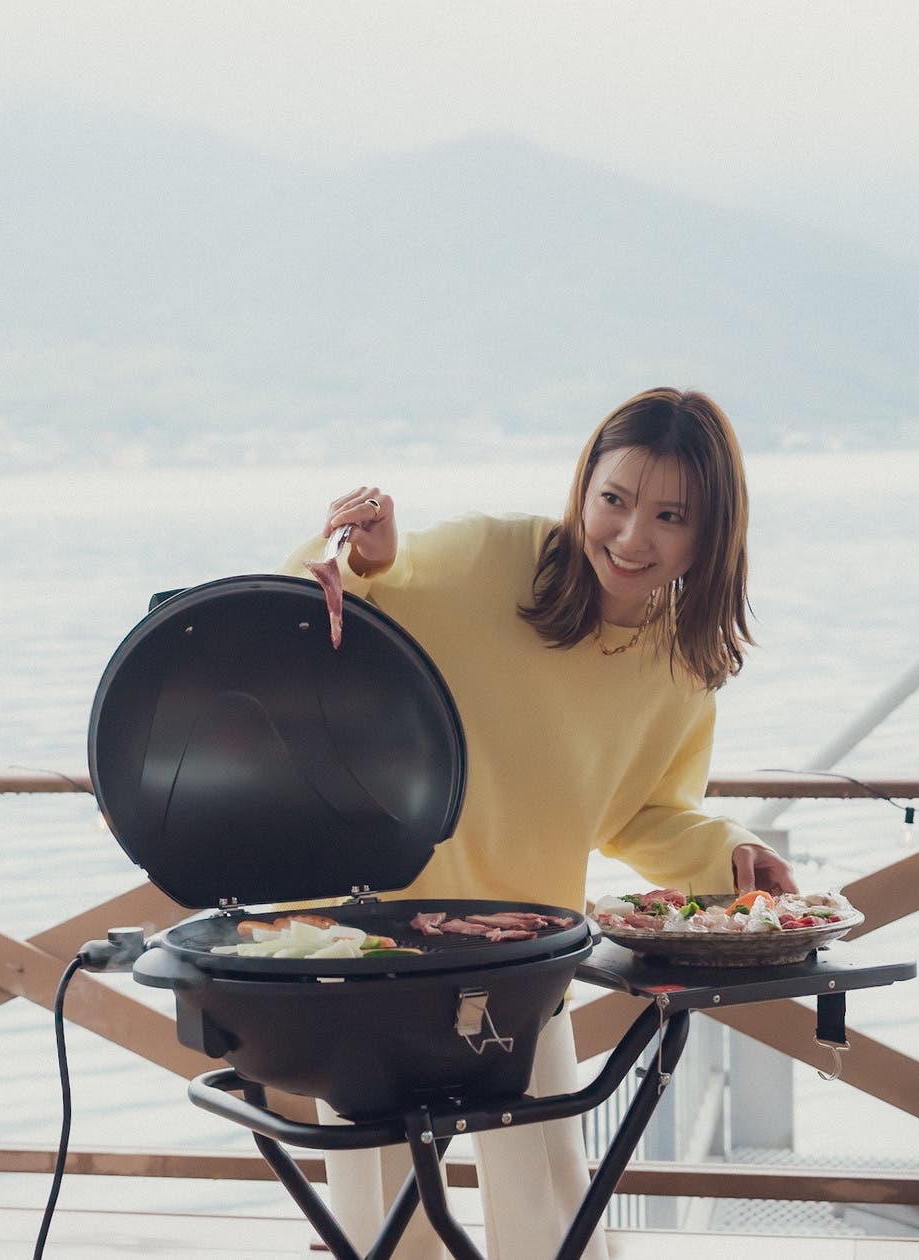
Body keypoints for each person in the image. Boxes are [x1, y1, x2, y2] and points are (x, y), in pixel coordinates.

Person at [284, 387, 795, 1260]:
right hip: (373, 940)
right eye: (615, 501)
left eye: (670, 516)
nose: (633, 538)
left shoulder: (680, 664)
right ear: (582, 490)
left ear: (711, 533)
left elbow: (643, 814)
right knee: (386, 1222)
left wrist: (729, 849)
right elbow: (334, 596)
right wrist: (361, 553)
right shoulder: (496, 557)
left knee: (553, 1213)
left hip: (523, 954)